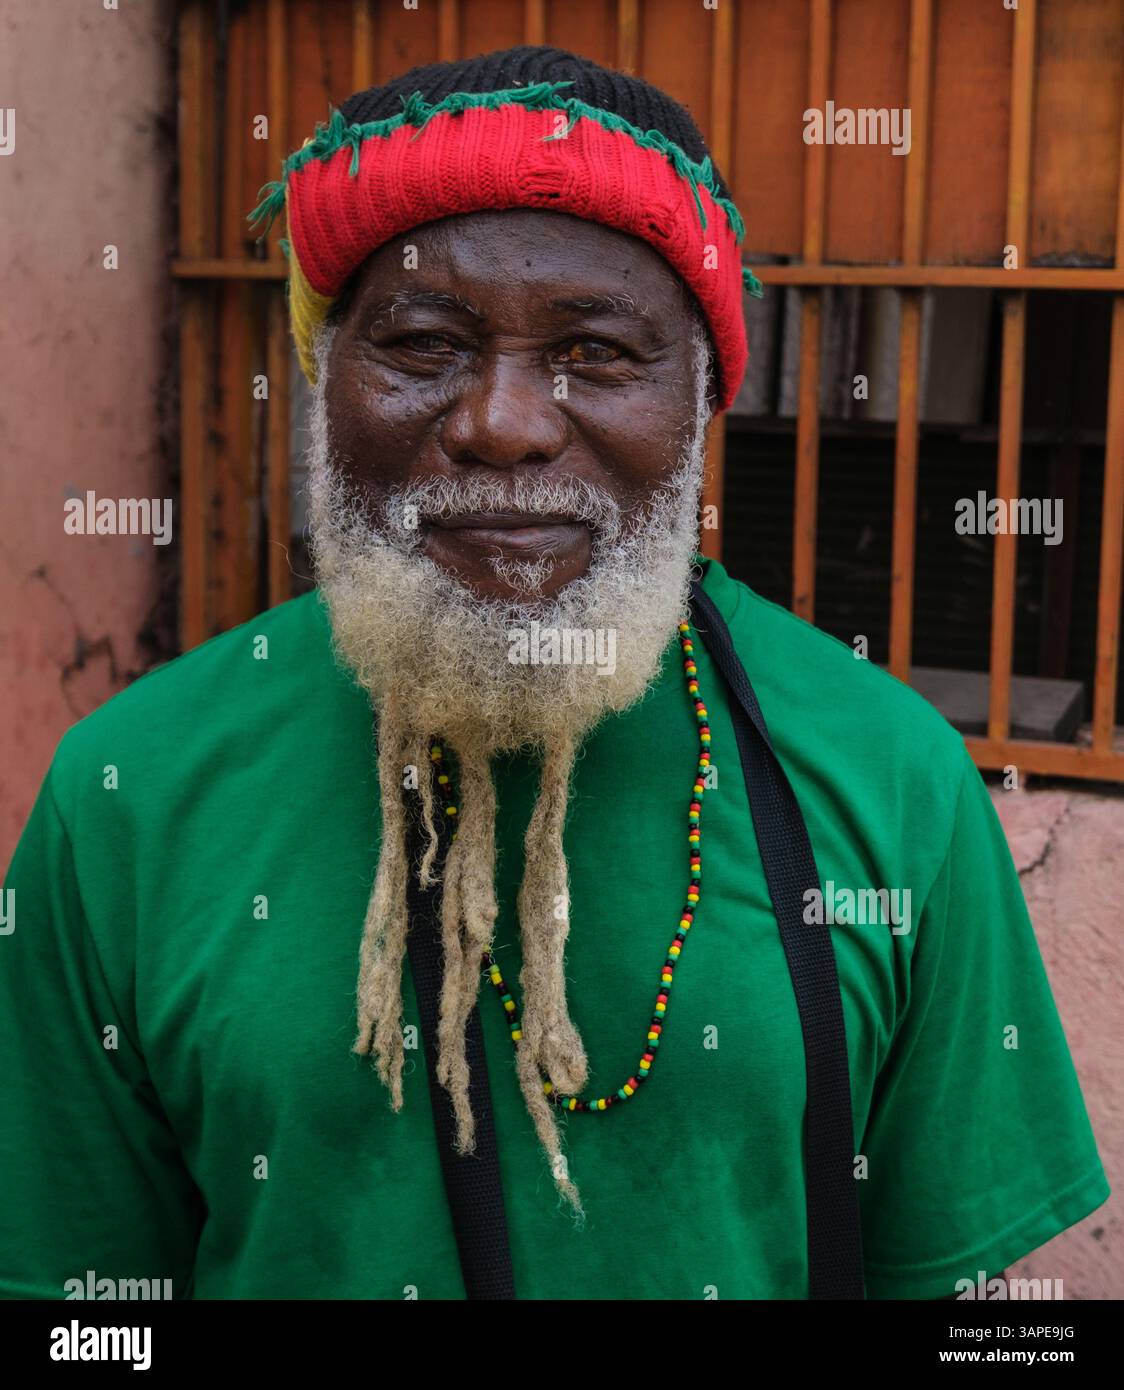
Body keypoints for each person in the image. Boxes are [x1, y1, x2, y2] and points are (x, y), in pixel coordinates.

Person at [0, 45, 1107, 1301]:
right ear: (323, 378)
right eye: (422, 343)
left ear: (700, 402)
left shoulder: (891, 777)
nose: (503, 422)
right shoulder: (125, 796)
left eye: (594, 352)